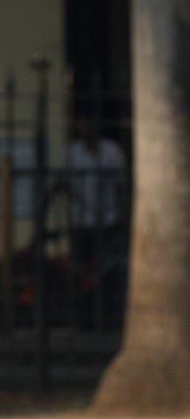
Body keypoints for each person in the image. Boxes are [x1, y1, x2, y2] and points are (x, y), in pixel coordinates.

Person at [60, 113, 128, 327]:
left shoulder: (111, 151)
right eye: (82, 123)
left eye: (89, 123)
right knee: (79, 268)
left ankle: (103, 313)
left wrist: (121, 215)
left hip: (107, 218)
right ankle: (82, 314)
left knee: (105, 268)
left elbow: (121, 186)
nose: (86, 127)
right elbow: (65, 184)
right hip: (80, 219)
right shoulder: (72, 153)